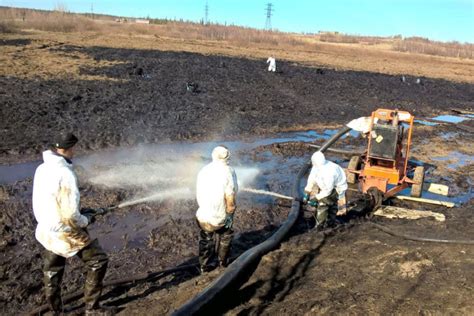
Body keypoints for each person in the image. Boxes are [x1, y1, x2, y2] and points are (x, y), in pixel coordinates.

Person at [32, 133, 111, 315]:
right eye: (73, 148)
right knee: (98, 261)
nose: (74, 152)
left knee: (52, 270)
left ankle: (56, 311)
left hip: (46, 228)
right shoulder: (65, 173)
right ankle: (93, 308)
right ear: (68, 149)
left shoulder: (41, 168)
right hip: (65, 231)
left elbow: (45, 201)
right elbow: (70, 214)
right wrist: (85, 219)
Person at [195, 146, 238, 272]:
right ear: (228, 157)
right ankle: (223, 263)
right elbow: (230, 202)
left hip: (202, 217)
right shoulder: (229, 171)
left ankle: (204, 266)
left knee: (206, 238)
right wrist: (230, 216)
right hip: (219, 219)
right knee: (226, 234)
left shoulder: (204, 170)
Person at [302, 151, 348, 229]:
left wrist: (316, 198)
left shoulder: (329, 172)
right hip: (327, 187)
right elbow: (312, 178)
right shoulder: (317, 166)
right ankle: (329, 221)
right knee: (326, 202)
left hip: (337, 188)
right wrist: (307, 192)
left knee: (323, 204)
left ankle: (320, 226)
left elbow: (327, 191)